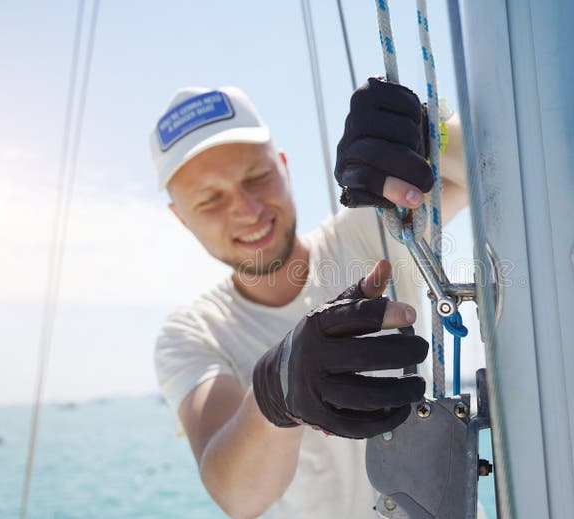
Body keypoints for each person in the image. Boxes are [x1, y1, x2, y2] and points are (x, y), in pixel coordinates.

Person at [150, 79, 467, 518]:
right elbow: (236, 496)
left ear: (283, 166)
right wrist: (274, 392)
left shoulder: (367, 233)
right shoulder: (193, 333)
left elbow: (486, 175)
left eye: (257, 176)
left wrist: (425, 129)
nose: (246, 209)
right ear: (181, 218)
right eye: (210, 200)